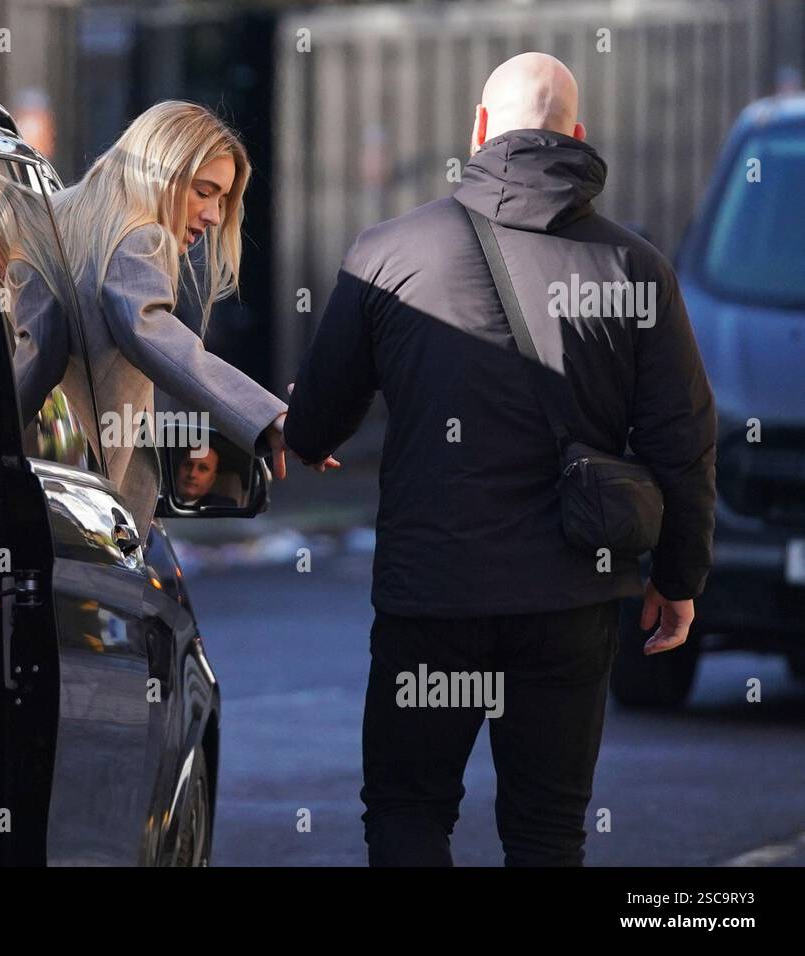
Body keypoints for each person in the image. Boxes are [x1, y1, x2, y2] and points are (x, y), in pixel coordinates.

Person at [284, 53, 716, 866]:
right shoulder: (636, 269)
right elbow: (683, 438)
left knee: (410, 810)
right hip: (569, 601)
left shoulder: (388, 253)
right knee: (546, 832)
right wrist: (680, 579)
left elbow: (311, 430)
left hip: (432, 601)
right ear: (578, 138)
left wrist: (305, 427)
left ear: (479, 129)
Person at [20, 100, 337, 539]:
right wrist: (271, 419)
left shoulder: (54, 218)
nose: (213, 216)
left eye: (223, 199)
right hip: (79, 519)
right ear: (161, 172)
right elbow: (154, 337)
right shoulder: (139, 237)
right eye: (203, 192)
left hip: (25, 493)